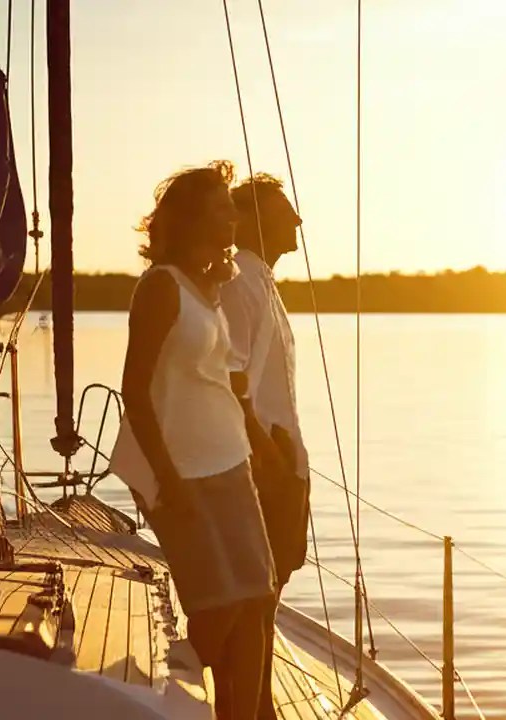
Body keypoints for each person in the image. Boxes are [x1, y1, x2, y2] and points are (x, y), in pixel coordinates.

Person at [115, 160, 276, 720]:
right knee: (216, 609)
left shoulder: (205, 286)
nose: (234, 216)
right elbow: (133, 389)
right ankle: (160, 683)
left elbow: (215, 377)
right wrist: (164, 477)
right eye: (223, 206)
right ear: (191, 218)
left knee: (257, 599)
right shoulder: (159, 288)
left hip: (229, 461)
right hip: (181, 469)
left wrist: (256, 450)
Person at [220, 173, 310, 720]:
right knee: (253, 600)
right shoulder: (239, 285)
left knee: (269, 593)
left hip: (281, 462)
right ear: (254, 220)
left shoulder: (264, 284)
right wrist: (269, 459)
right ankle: (248, 709)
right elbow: (229, 382)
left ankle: (261, 704)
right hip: (262, 466)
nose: (298, 220)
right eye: (285, 212)